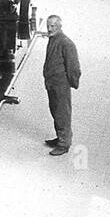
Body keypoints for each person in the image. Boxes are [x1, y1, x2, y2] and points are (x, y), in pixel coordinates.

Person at [42, 15, 81, 155]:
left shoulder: (66, 43)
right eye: (48, 25)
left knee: (62, 113)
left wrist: (72, 83)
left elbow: (74, 67)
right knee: (55, 110)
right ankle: (60, 137)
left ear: (60, 26)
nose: (49, 28)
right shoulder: (53, 39)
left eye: (53, 26)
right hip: (52, 83)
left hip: (60, 85)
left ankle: (64, 144)